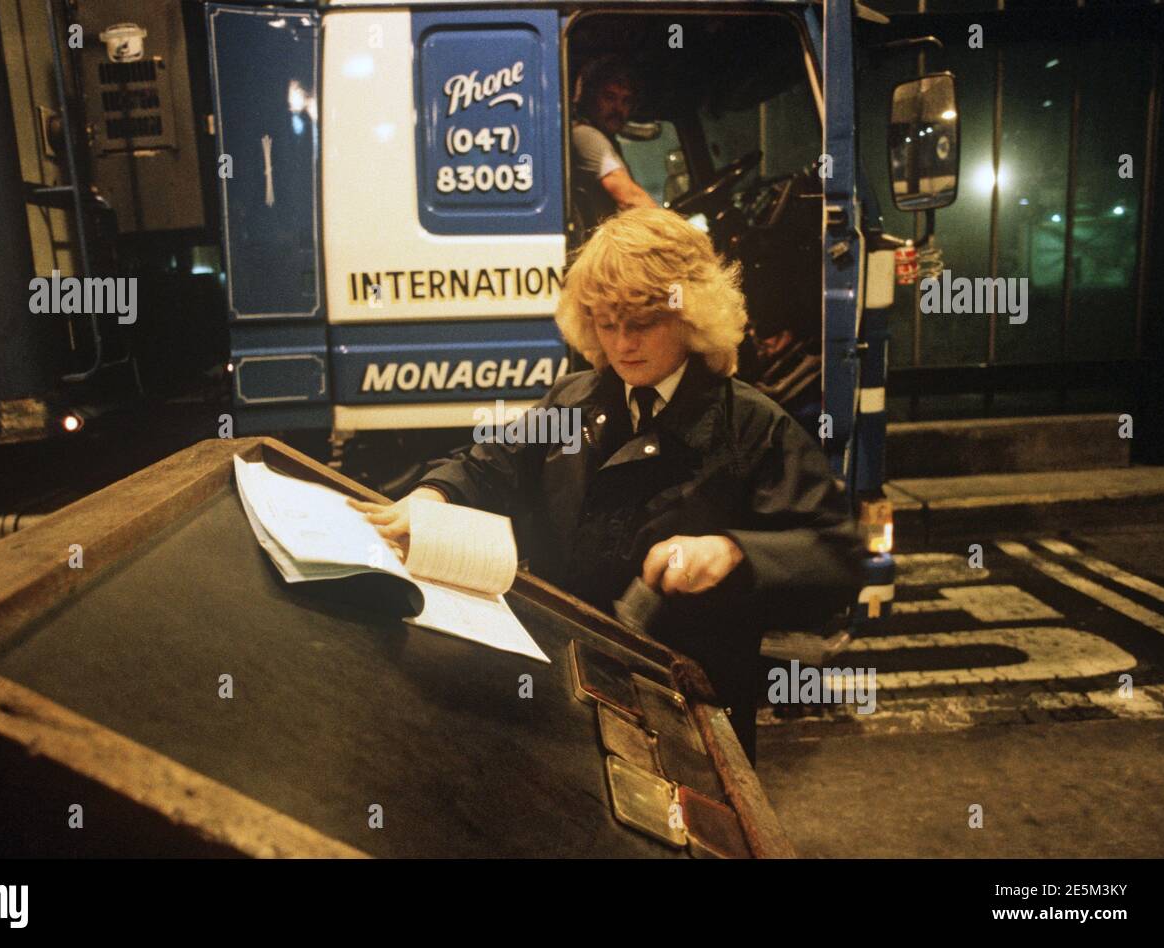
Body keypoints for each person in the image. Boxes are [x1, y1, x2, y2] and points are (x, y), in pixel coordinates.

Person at [349, 208, 862, 762]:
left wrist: (735, 552)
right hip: (563, 690)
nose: (622, 345)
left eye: (641, 323)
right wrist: (431, 499)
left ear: (690, 316)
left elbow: (836, 557)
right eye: (605, 323)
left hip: (687, 716)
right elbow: (489, 464)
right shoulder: (573, 401)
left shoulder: (753, 427)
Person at [569, 56, 657, 233]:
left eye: (626, 101)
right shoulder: (586, 135)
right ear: (590, 98)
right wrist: (678, 233)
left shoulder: (606, 138)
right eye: (609, 97)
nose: (618, 108)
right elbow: (630, 198)